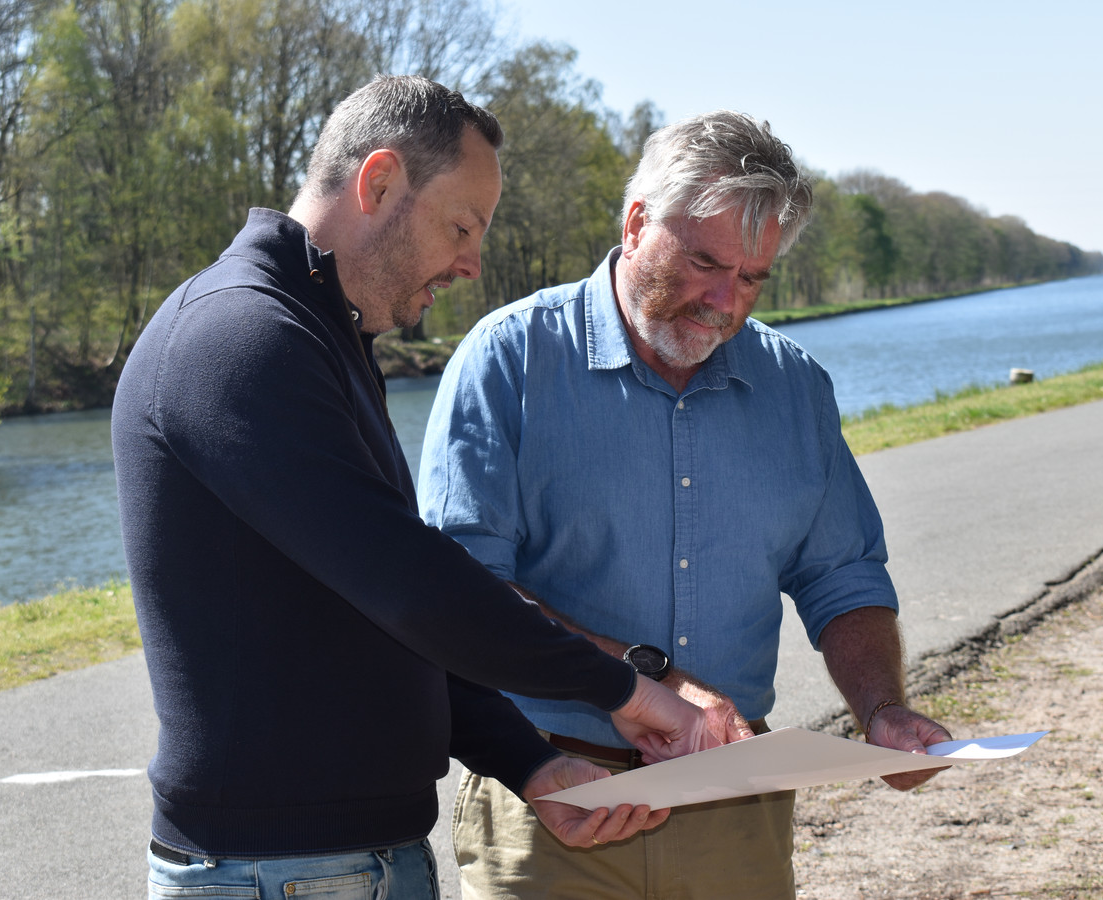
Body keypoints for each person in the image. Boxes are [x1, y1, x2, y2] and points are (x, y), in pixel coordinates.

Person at [111, 74, 714, 900]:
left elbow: (383, 616)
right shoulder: (237, 339)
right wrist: (619, 688)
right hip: (276, 873)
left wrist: (530, 764)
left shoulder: (319, 334)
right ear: (379, 181)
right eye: (461, 226)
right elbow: (411, 587)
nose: (471, 263)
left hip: (351, 862)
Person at [419, 110, 953, 899]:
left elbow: (843, 576)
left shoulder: (795, 386)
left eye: (753, 278)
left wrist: (882, 710)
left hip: (735, 809)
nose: (725, 303)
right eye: (705, 263)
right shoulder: (510, 360)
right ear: (637, 224)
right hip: (556, 799)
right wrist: (650, 683)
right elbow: (458, 596)